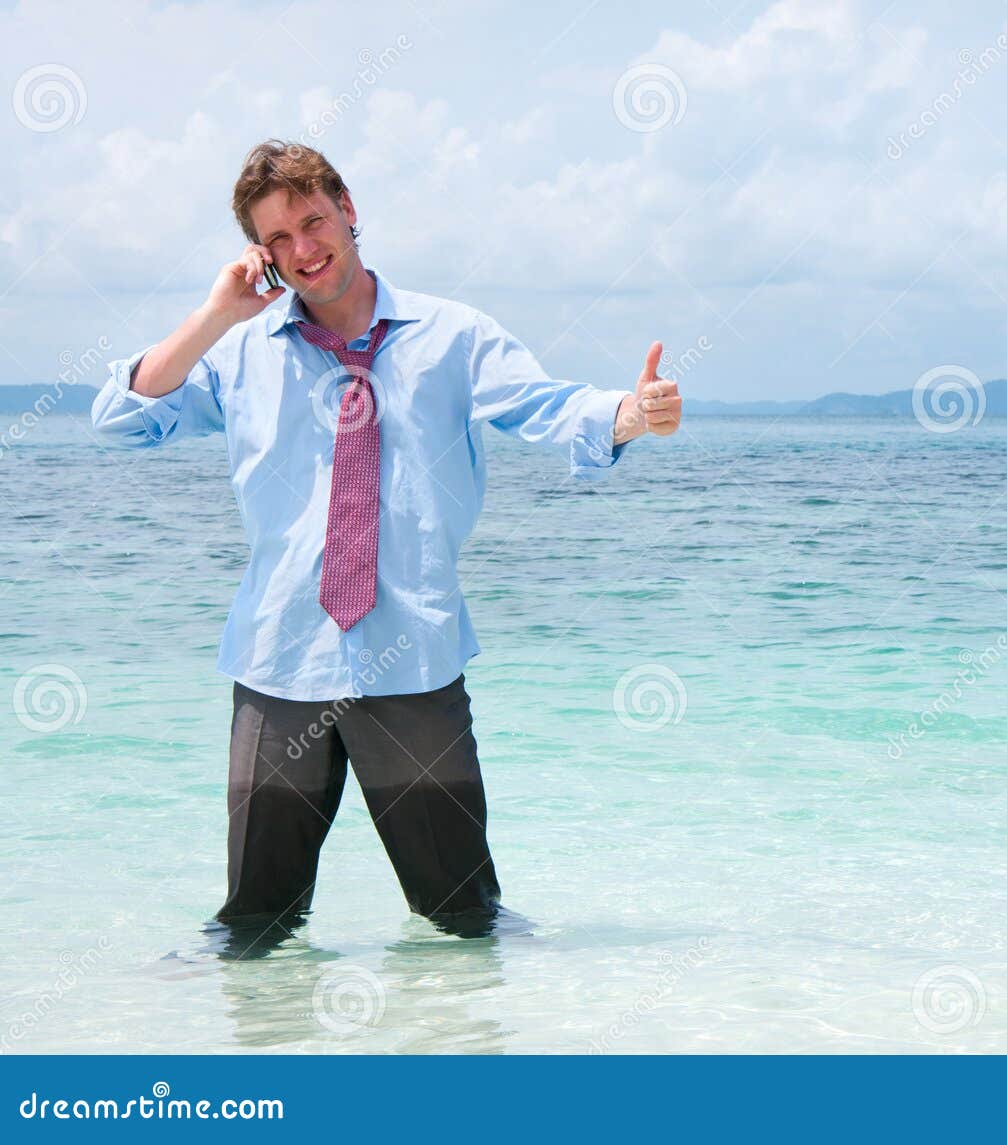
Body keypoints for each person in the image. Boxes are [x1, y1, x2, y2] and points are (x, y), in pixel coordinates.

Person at [90, 140, 682, 951]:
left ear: (349, 210)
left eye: (314, 220)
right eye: (279, 239)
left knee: (465, 920)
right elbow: (122, 419)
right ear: (259, 255)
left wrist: (630, 414)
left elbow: (548, 406)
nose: (303, 248)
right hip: (280, 663)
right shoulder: (237, 352)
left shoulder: (453, 336)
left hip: (412, 660)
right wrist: (218, 314)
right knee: (254, 927)